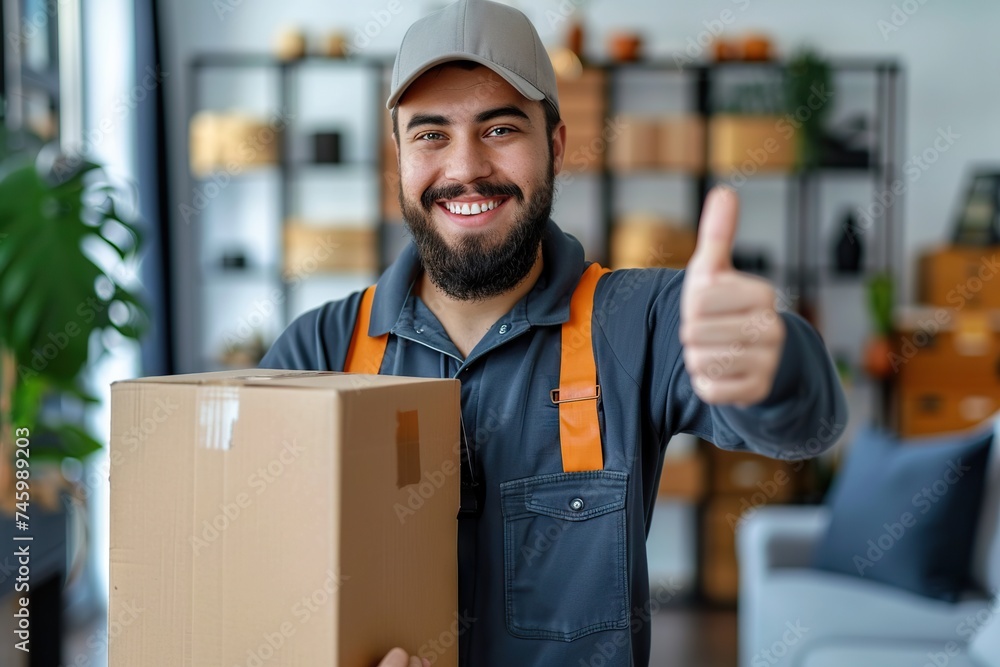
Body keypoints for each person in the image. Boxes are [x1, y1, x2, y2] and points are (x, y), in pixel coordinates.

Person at [259, 1, 848, 665]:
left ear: (556, 145)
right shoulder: (319, 350)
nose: (465, 168)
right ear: (396, 155)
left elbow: (809, 425)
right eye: (430, 135)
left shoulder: (638, 322)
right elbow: (262, 570)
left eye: (500, 127)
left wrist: (769, 361)